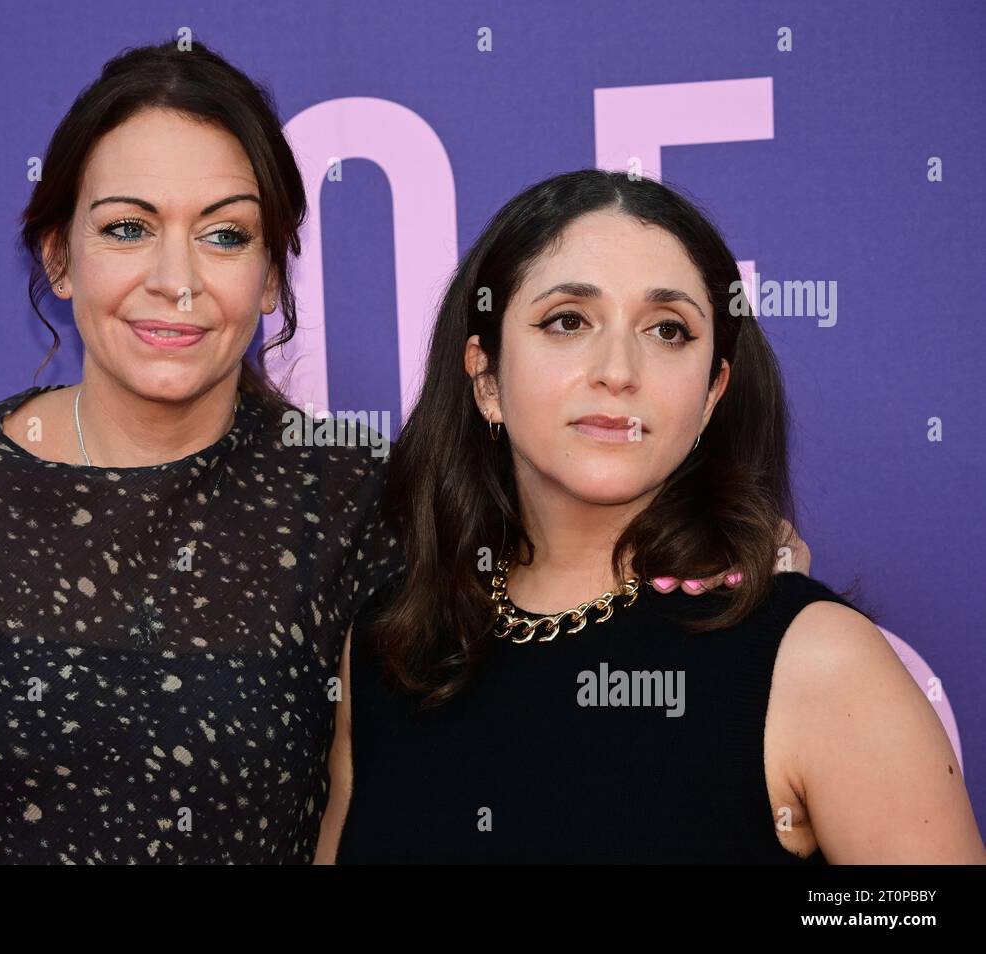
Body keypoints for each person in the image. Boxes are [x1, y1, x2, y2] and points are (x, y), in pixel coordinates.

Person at [0, 41, 766, 866]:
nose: (175, 280)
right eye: (127, 227)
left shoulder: (352, 498)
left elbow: (541, 653)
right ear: (57, 256)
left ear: (268, 275)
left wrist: (737, 619)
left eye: (224, 234)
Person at [321, 169, 986, 864]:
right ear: (487, 379)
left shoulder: (816, 660)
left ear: (711, 394)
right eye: (568, 321)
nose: (618, 369)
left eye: (669, 330)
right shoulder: (388, 648)